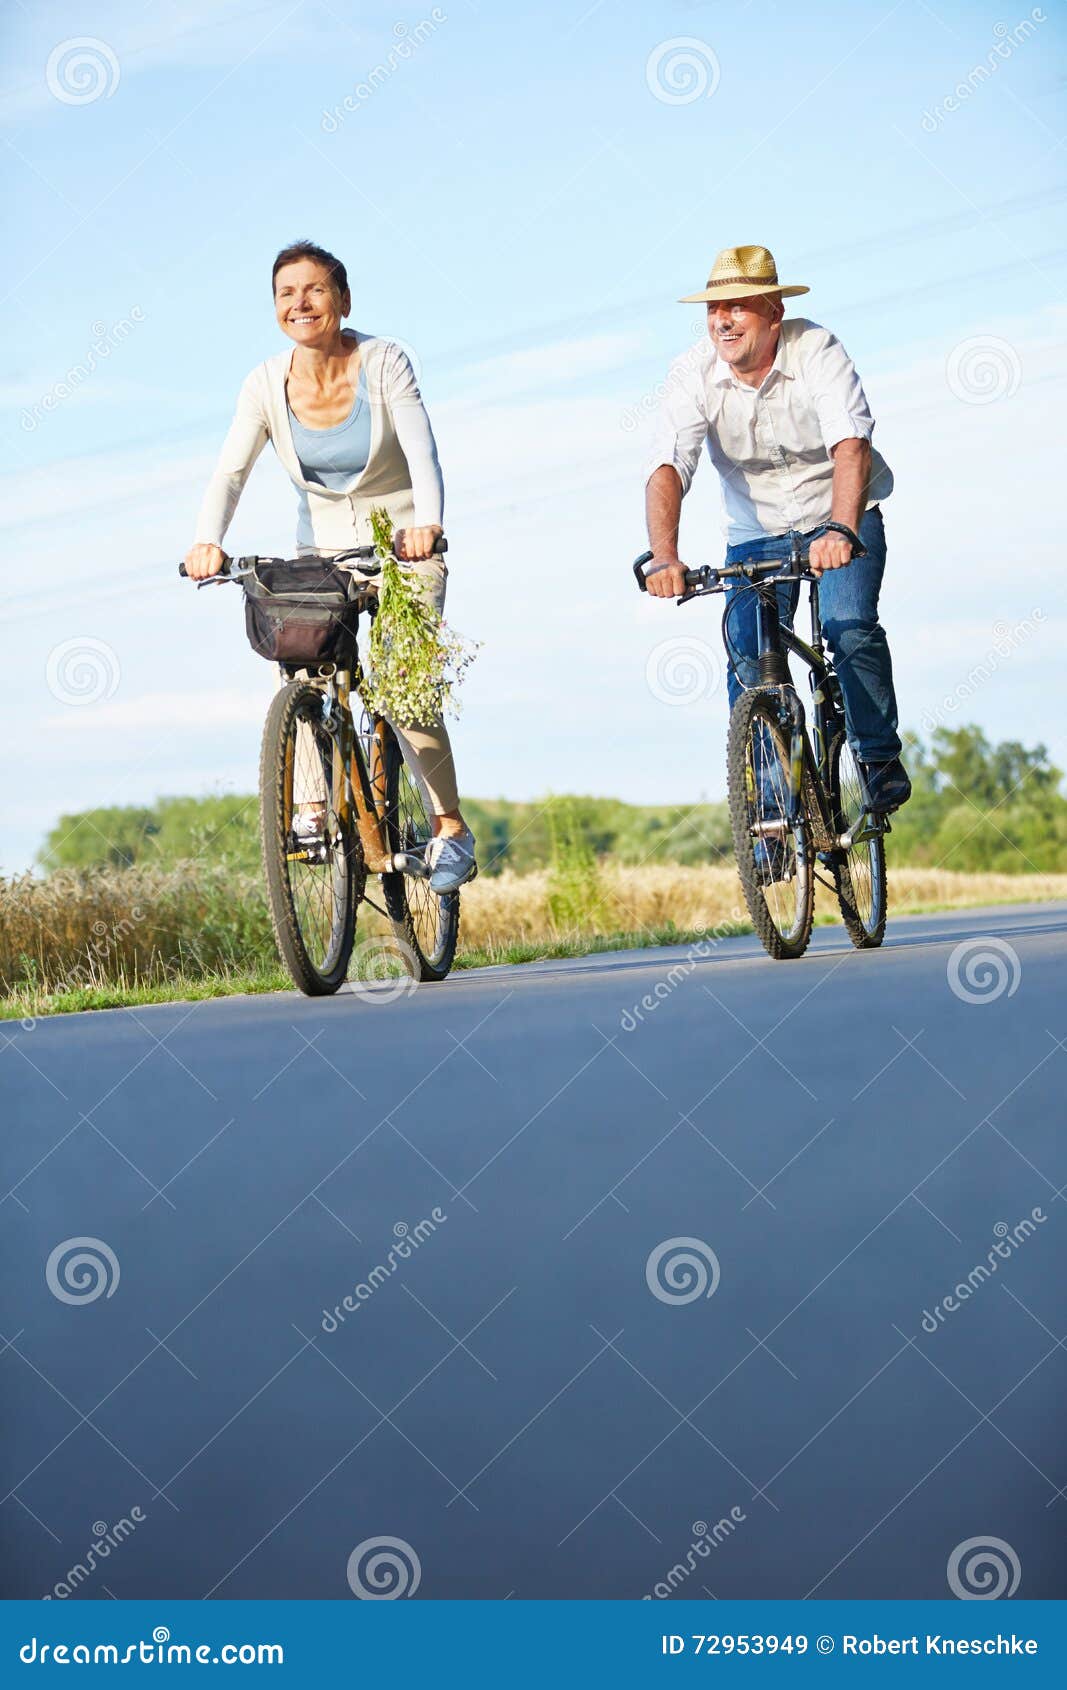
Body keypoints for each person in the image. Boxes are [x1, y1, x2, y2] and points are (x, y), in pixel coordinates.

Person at [183, 239, 476, 892]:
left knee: (403, 685)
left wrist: (427, 525)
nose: (301, 303)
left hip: (404, 547)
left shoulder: (384, 361)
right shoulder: (264, 384)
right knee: (303, 668)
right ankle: (313, 809)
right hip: (323, 554)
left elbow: (422, 452)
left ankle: (450, 826)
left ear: (342, 299)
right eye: (286, 293)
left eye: (314, 289)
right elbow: (230, 473)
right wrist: (206, 540)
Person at [643, 243, 910, 819]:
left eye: (738, 306)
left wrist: (840, 528)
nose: (723, 320)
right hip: (756, 532)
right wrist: (665, 555)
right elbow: (668, 466)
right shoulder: (693, 373)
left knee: (846, 624)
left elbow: (850, 445)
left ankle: (877, 758)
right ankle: (770, 820)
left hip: (841, 514)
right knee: (749, 656)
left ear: (774, 312)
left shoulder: (816, 349)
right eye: (714, 308)